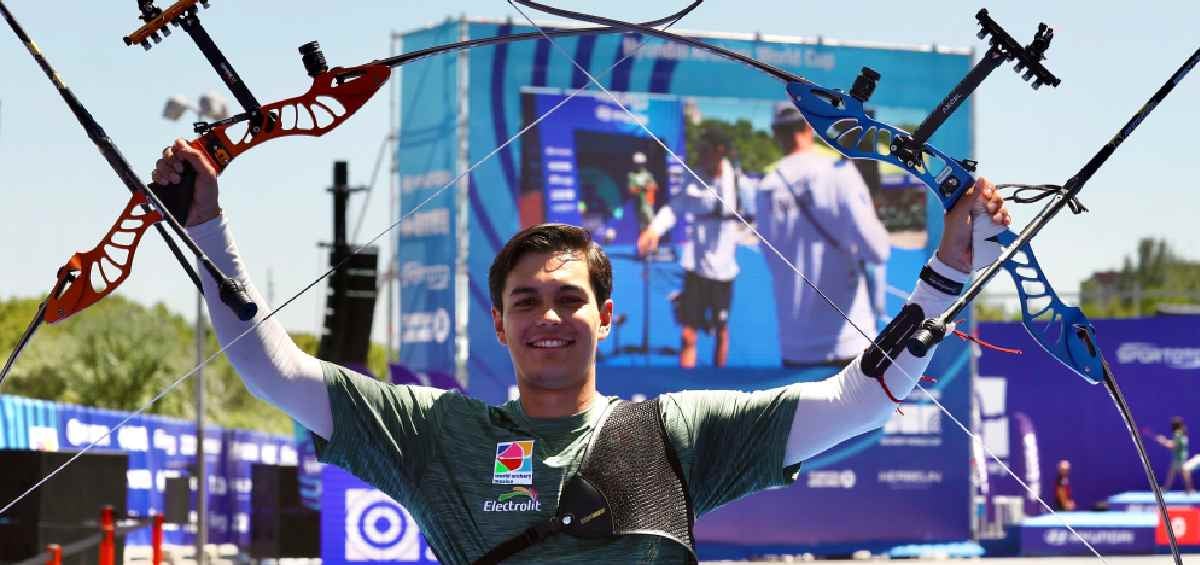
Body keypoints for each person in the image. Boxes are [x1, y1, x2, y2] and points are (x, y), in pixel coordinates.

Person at [154, 137, 1010, 564]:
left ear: (609, 318)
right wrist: (207, 228)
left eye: (570, 299)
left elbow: (855, 402)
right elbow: (277, 370)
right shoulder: (432, 433)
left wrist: (948, 270)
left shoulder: (675, 433)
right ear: (499, 323)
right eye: (525, 300)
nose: (548, 316)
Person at [757, 103, 891, 368]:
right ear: (810, 127)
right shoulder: (839, 173)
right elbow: (878, 251)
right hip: (851, 341)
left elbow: (771, 258)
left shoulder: (766, 187)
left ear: (775, 132)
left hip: (795, 346)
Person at [635, 126, 757, 367]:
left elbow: (754, 217)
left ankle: (718, 382)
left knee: (721, 333)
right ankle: (684, 390)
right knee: (687, 334)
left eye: (704, 150)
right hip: (695, 271)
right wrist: (654, 230)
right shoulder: (694, 176)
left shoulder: (739, 183)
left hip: (723, 274)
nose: (699, 154)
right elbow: (674, 208)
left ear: (719, 151)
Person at [1156, 417, 1194, 493]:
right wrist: (1165, 441)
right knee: (1183, 472)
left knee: (1173, 473)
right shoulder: (1182, 432)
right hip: (1183, 456)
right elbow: (1176, 443)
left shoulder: (1177, 433)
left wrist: (1163, 441)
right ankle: (1189, 489)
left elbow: (1173, 445)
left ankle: (1166, 489)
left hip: (1179, 457)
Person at [627, 151, 659, 229]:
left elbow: (655, 187)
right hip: (639, 205)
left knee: (651, 225)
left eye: (641, 163)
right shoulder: (632, 176)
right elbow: (631, 190)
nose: (639, 166)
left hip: (648, 204)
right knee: (642, 226)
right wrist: (640, 188)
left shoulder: (648, 175)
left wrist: (648, 187)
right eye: (637, 164)